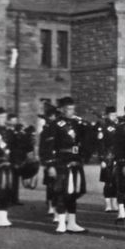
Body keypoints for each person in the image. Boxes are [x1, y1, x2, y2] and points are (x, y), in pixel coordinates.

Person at [42, 97, 88, 234]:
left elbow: (85, 139)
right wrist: (50, 165)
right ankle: (61, 223)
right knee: (62, 192)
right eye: (68, 109)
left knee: (74, 192)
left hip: (75, 161)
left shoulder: (76, 124)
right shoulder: (54, 125)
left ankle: (72, 222)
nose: (71, 111)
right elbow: (48, 146)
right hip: (61, 161)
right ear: (61, 110)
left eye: (73, 109)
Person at [96, 106, 121, 214]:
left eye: (115, 115)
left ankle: (114, 203)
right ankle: (108, 204)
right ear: (107, 115)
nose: (113, 117)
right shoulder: (103, 127)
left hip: (116, 156)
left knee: (115, 181)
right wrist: (102, 159)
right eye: (111, 115)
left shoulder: (118, 126)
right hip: (107, 157)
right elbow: (101, 144)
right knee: (108, 181)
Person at [38, 104, 60, 222]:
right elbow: (43, 148)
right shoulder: (45, 131)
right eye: (50, 116)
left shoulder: (59, 129)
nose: (53, 118)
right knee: (50, 185)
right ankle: (51, 206)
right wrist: (46, 162)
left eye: (54, 116)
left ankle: (57, 208)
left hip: (59, 160)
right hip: (50, 161)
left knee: (58, 185)